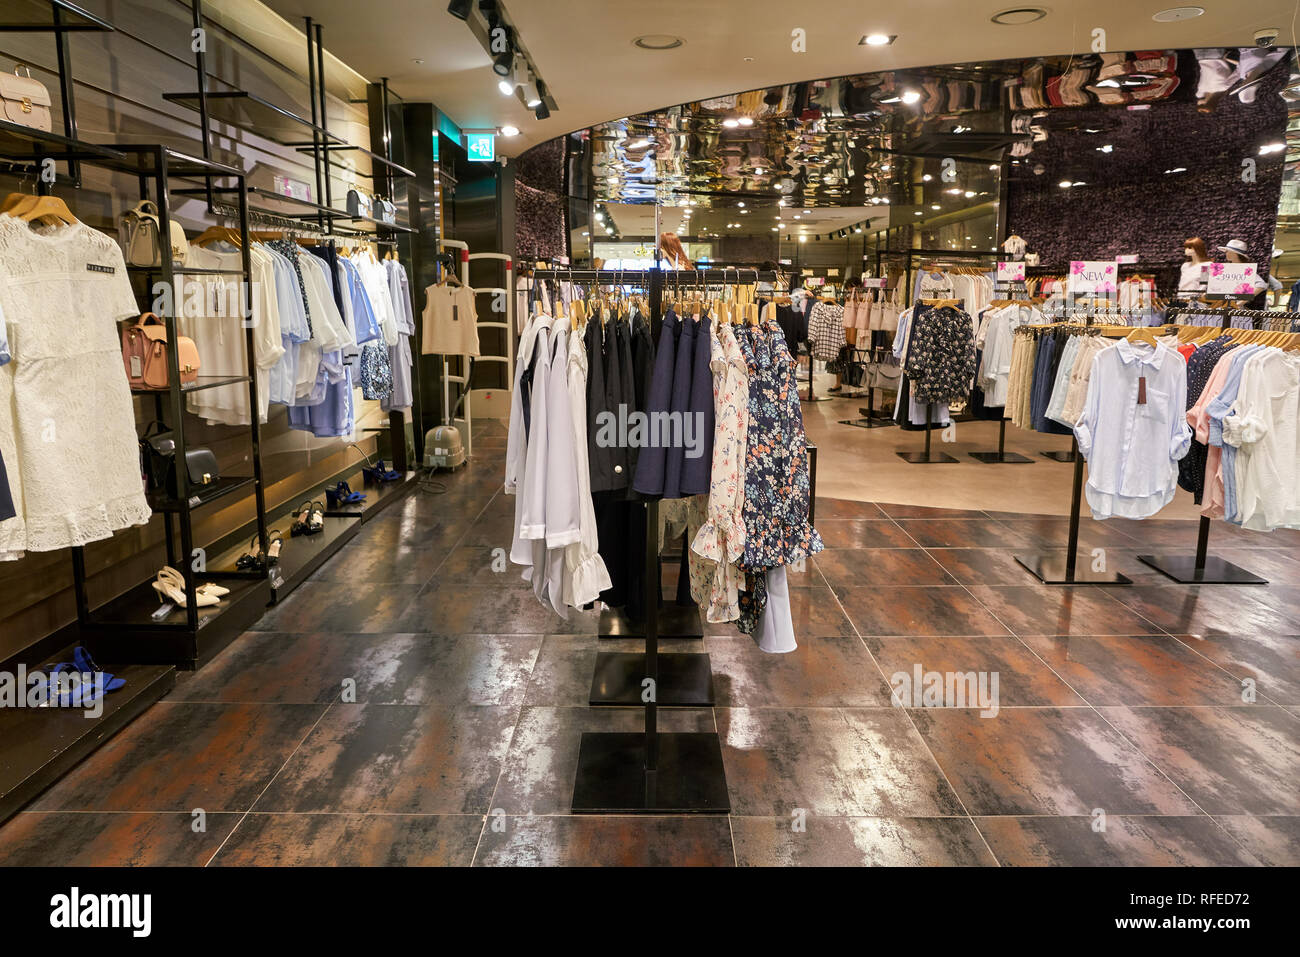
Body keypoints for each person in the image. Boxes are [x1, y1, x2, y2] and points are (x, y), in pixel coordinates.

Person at [1218, 238, 1282, 307]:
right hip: (1221, 305)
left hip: (1233, 308)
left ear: (1235, 253)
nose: (1225, 253)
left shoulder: (1245, 269)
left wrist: (1240, 302)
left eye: (1227, 251)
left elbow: (1261, 285)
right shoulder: (1226, 268)